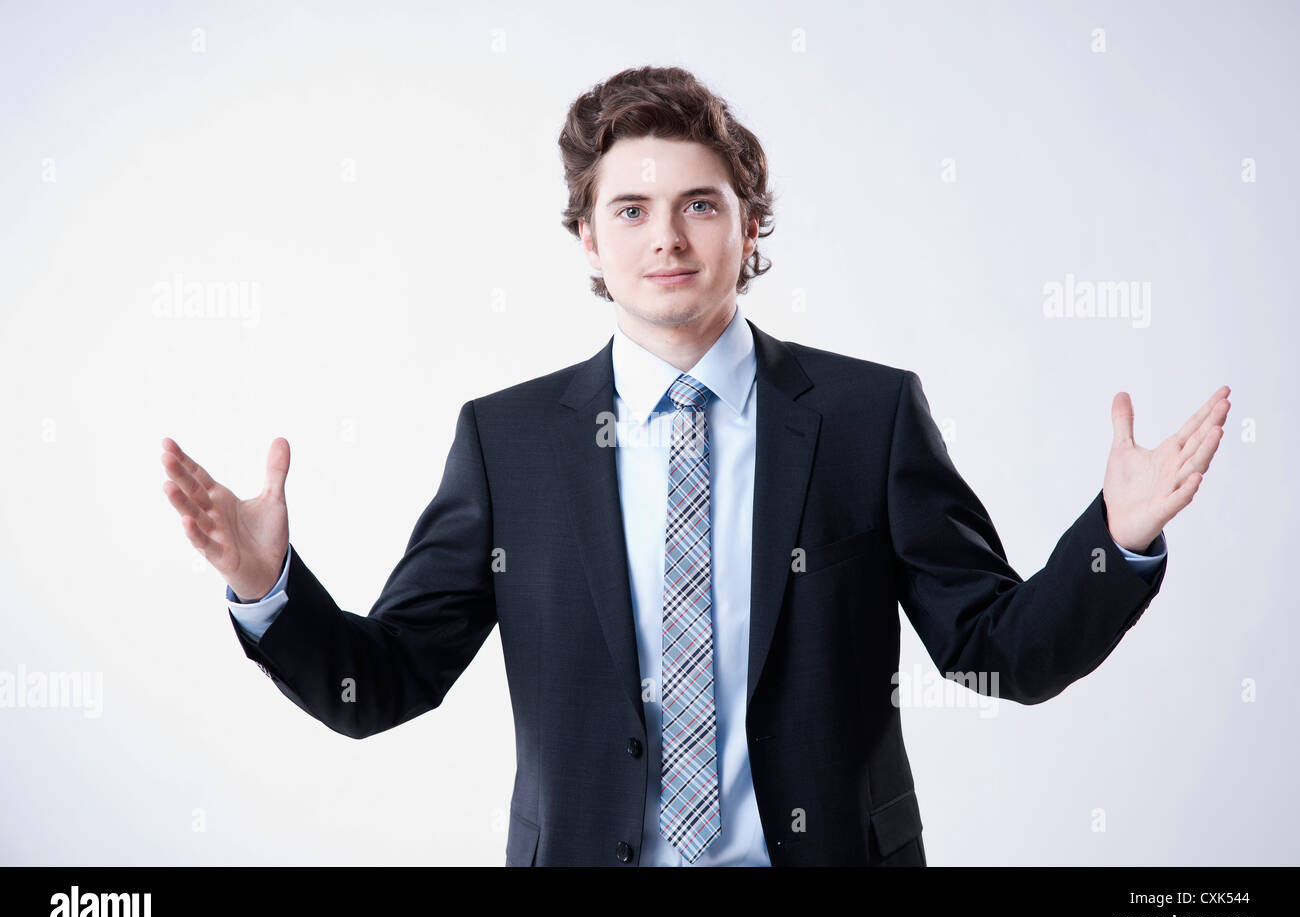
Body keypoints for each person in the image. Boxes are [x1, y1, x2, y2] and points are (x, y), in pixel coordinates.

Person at [160, 65, 1228, 866]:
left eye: (700, 205)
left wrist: (1115, 542)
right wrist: (269, 593)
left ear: (750, 227)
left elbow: (999, 649)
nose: (665, 236)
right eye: (629, 209)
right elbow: (385, 680)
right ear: (585, 238)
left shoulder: (867, 416)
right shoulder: (508, 442)